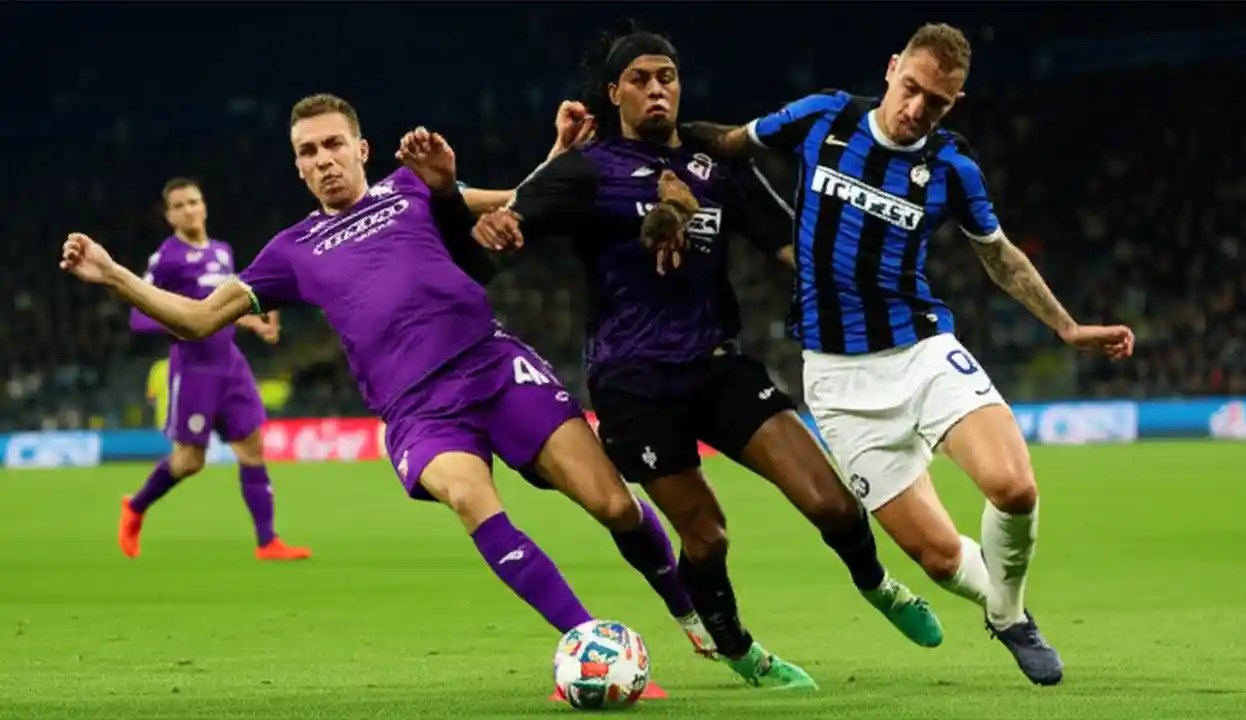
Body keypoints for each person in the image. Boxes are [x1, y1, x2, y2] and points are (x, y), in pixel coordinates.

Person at [59, 95, 701, 688]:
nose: (324, 159)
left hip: (492, 365)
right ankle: (590, 648)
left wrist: (558, 154)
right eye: (308, 153)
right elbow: (199, 317)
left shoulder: (411, 187)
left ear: (361, 149)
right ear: (299, 169)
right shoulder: (291, 250)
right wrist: (115, 275)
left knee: (614, 506)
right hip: (419, 411)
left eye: (333, 144)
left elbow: (518, 202)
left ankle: (695, 621)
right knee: (469, 495)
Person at [472, 26, 944, 690]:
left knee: (833, 502)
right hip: (632, 382)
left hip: (718, 364)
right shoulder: (586, 169)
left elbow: (790, 248)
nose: (656, 88)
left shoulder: (713, 161)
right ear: (615, 93)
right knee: (709, 537)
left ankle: (878, 586)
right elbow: (500, 232)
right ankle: (738, 647)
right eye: (639, 78)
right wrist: (499, 222)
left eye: (666, 76)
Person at [680, 23, 1136, 686]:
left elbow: (1000, 258)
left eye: (938, 102)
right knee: (937, 556)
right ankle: (996, 601)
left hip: (920, 350)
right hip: (837, 380)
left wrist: (1065, 328)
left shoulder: (952, 167)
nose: (917, 108)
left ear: (955, 104)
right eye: (912, 88)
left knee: (1013, 487)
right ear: (892, 69)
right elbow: (727, 145)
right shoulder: (825, 116)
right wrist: (636, 136)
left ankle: (1010, 617)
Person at [120, 178, 309, 561]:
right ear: (170, 216)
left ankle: (268, 542)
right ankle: (136, 507)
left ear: (204, 205)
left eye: (194, 201)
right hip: (193, 370)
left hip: (231, 366)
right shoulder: (167, 259)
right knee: (190, 461)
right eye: (180, 205)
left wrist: (252, 321)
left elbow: (222, 306)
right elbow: (139, 317)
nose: (189, 209)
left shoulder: (222, 252)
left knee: (253, 447)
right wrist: (185, 320)